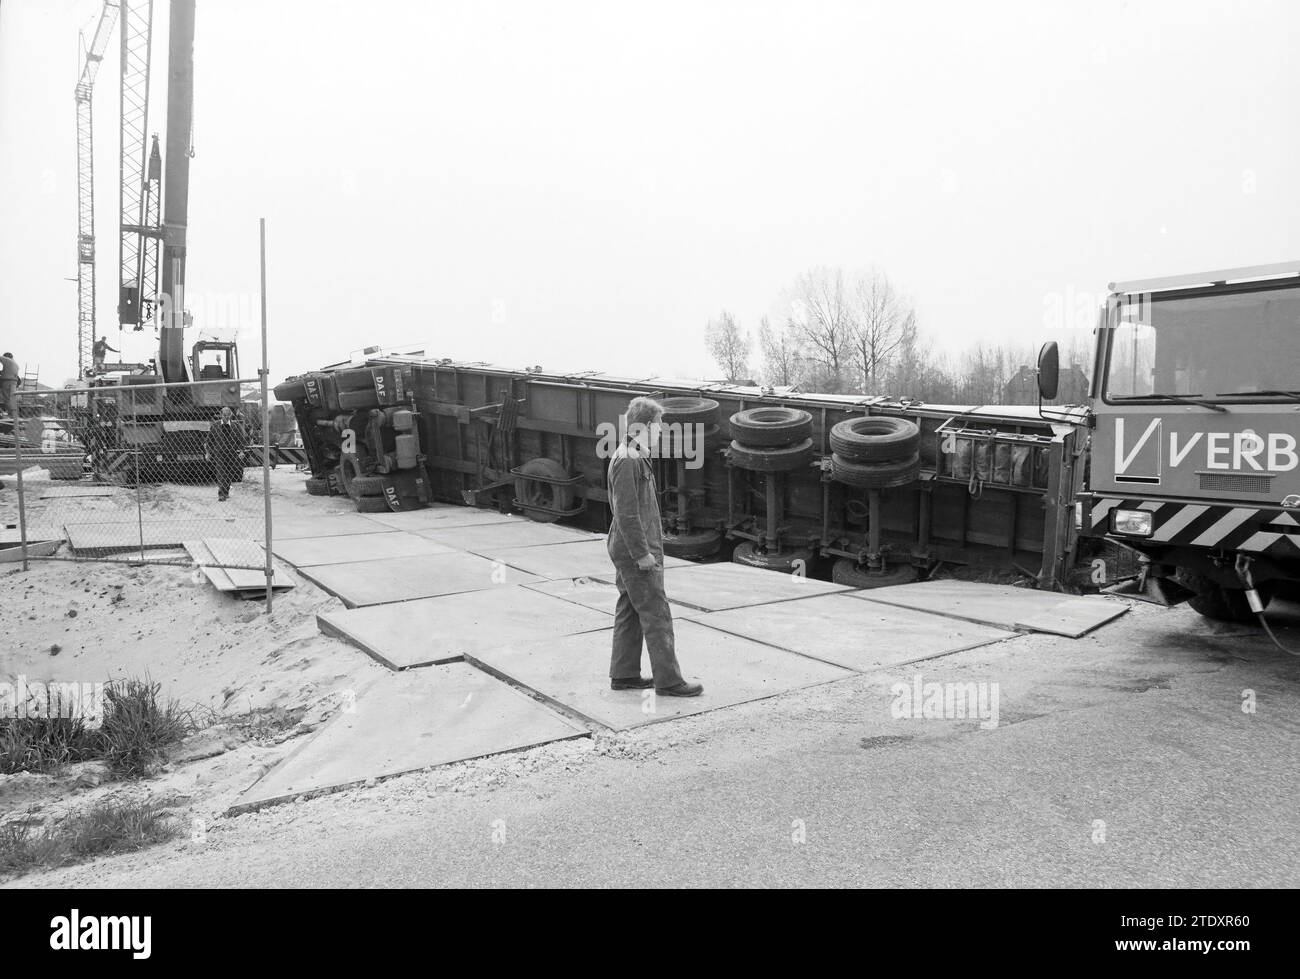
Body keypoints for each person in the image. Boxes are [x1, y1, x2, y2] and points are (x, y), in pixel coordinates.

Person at [605, 396, 703, 697]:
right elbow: (627, 513)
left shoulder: (632, 454)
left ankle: (624, 675)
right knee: (656, 611)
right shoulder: (628, 459)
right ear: (645, 426)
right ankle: (670, 681)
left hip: (631, 548)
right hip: (636, 551)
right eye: (659, 425)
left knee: (630, 609)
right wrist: (642, 554)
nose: (661, 431)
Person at [205, 406, 247, 502]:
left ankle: (226, 490)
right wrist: (208, 453)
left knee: (229, 473)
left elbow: (241, 439)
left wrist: (241, 451)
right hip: (219, 453)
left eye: (228, 415)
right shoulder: (215, 425)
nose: (226, 417)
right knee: (221, 473)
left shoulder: (235, 426)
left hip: (231, 453)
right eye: (224, 415)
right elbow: (209, 440)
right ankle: (221, 494)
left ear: (231, 415)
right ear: (221, 415)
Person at [0, 352, 19, 417]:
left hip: (7, 382)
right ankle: (13, 415)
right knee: (11, 399)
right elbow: (8, 372)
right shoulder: (15, 364)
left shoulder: (6, 359)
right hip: (14, 383)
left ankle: (11, 414)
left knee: (6, 399)